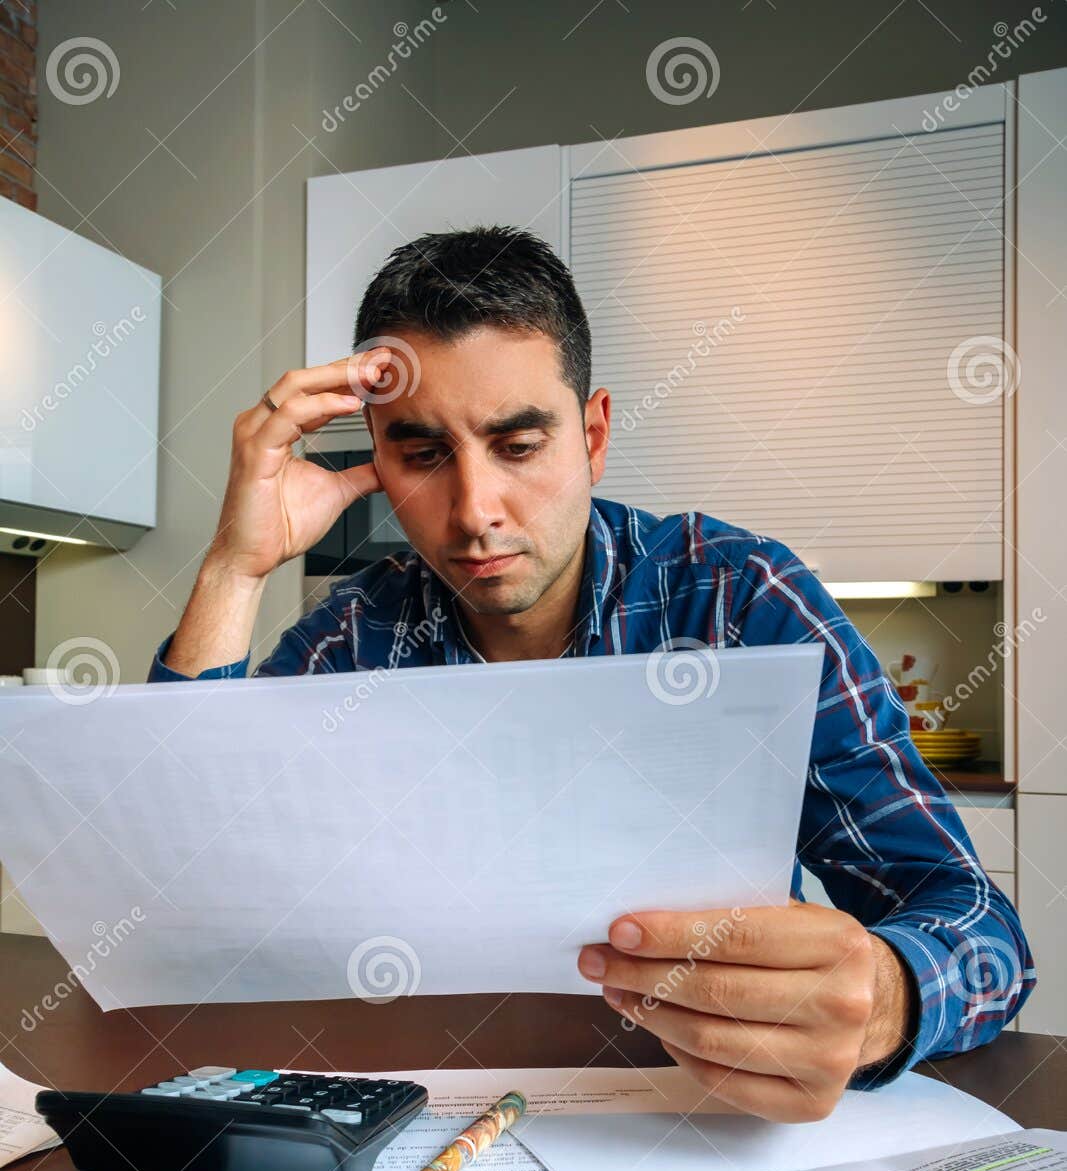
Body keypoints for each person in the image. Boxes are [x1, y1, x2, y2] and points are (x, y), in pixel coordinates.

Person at [147, 225, 1035, 1121]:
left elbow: (975, 925)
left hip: (689, 1112)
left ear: (592, 434)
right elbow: (179, 877)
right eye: (421, 456)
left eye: (518, 445)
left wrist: (882, 997)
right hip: (417, 1104)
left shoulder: (736, 599)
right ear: (375, 458)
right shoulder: (352, 636)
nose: (474, 512)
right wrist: (235, 566)